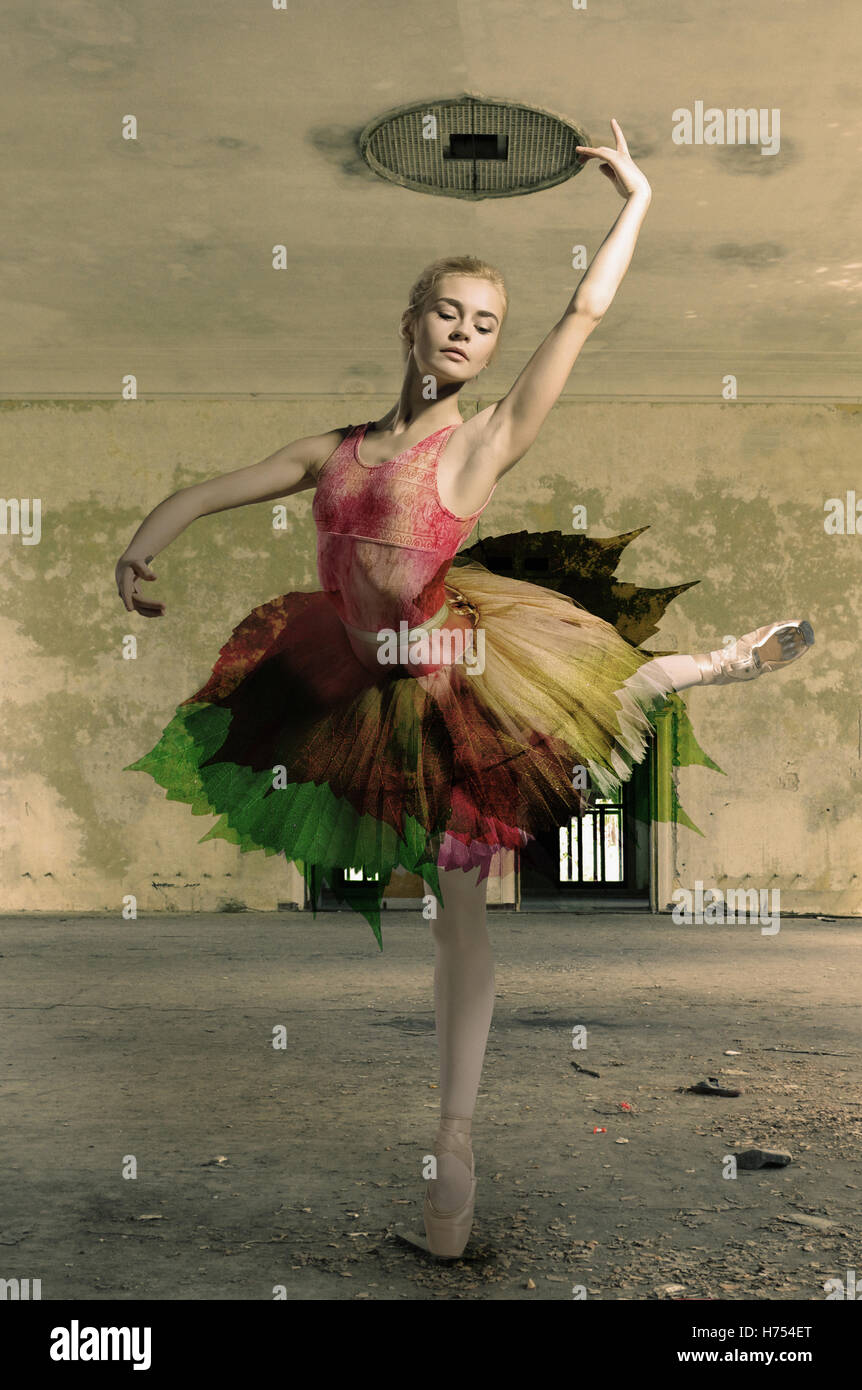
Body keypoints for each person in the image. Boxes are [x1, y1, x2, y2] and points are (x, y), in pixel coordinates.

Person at [116, 120, 814, 1259]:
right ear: (409, 323)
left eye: (486, 324)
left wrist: (634, 196)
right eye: (449, 312)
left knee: (476, 890)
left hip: (451, 671)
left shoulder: (482, 444)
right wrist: (143, 546)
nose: (467, 333)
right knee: (471, 842)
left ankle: (454, 1147)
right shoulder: (331, 449)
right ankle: (706, 665)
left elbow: (581, 316)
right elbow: (209, 487)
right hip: (351, 674)